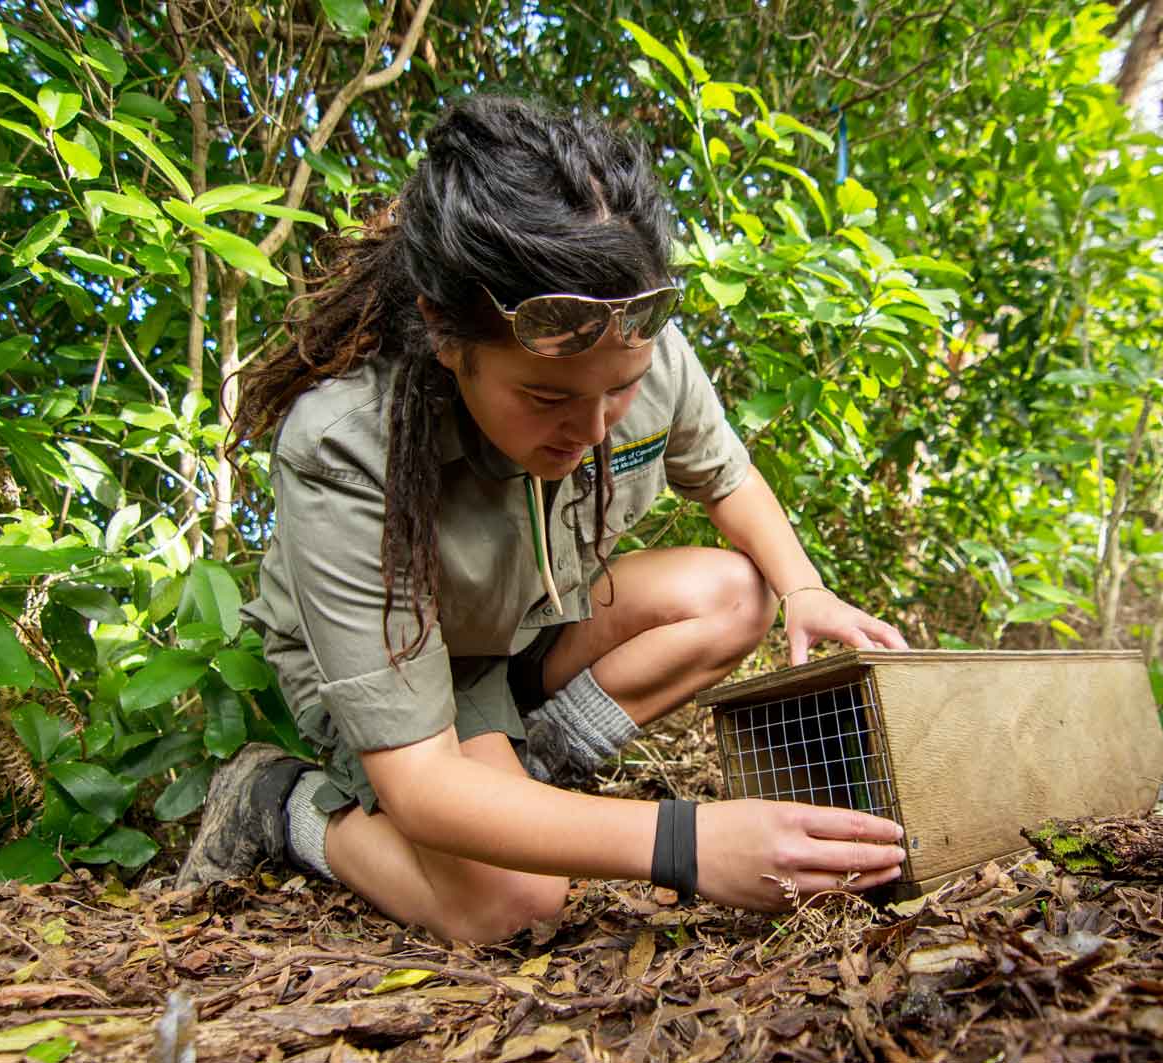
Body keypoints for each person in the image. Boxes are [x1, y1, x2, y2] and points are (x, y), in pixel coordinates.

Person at [175, 96, 910, 942]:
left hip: (523, 624)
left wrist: (805, 588)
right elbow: (420, 781)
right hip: (414, 665)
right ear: (446, 336)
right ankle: (283, 802)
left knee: (739, 593)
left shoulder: (639, 350)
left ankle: (527, 772)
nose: (593, 428)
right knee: (512, 907)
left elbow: (727, 476)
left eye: (619, 390)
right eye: (546, 397)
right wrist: (686, 842)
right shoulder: (348, 444)